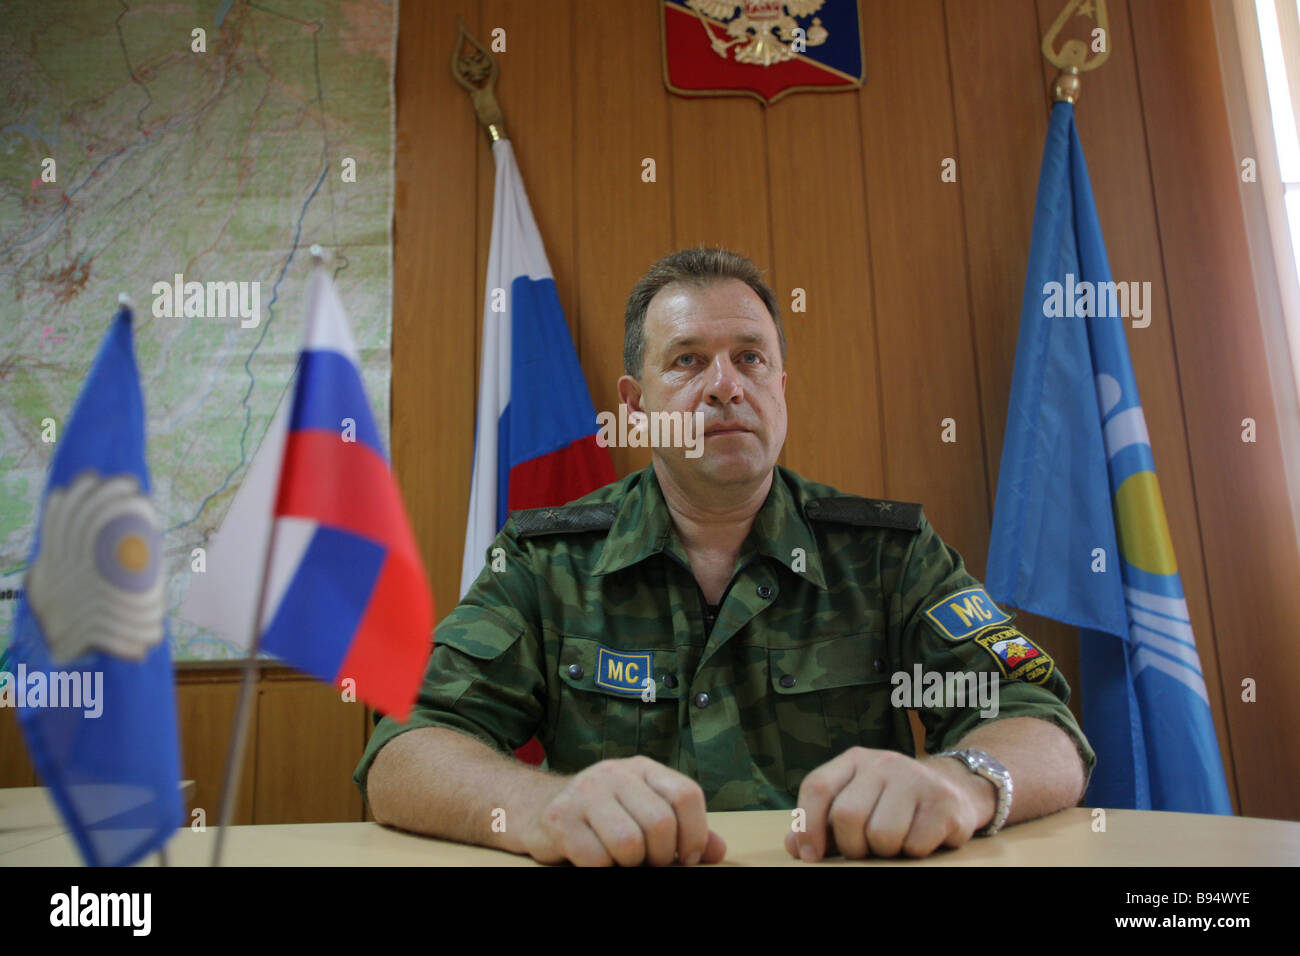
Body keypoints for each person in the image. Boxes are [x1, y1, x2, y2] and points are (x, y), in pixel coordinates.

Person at [355, 247, 1096, 866]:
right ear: (635, 403)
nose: (725, 387)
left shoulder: (886, 556)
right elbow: (405, 748)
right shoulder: (546, 560)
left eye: (750, 358)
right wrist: (541, 805)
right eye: (686, 361)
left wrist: (960, 783)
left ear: (781, 389)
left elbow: (1042, 725)